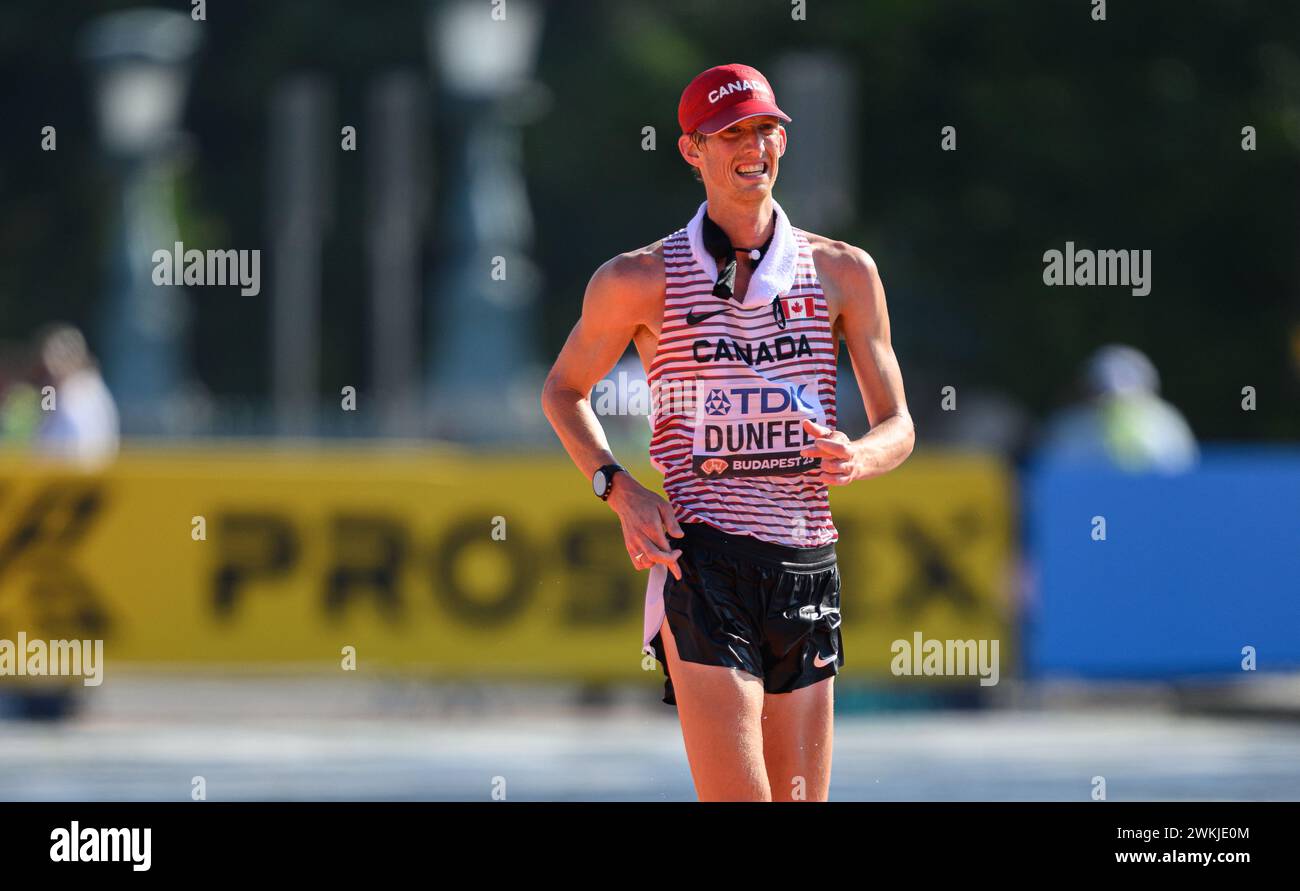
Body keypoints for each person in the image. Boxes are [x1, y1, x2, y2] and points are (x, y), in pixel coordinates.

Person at [541, 63, 914, 801]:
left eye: (766, 129)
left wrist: (860, 456)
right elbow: (563, 389)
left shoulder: (844, 272)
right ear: (693, 151)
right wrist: (618, 488)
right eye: (731, 132)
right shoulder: (638, 277)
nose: (754, 146)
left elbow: (898, 425)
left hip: (807, 559)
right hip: (704, 558)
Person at [1038, 344, 1197, 473]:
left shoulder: (1166, 422)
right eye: (1102, 391)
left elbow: (1181, 472)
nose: (1112, 401)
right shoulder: (1067, 428)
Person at [32, 323, 120, 467]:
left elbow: (86, 450)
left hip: (76, 479)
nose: (52, 365)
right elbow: (45, 428)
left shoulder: (86, 392)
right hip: (54, 476)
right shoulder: (54, 389)